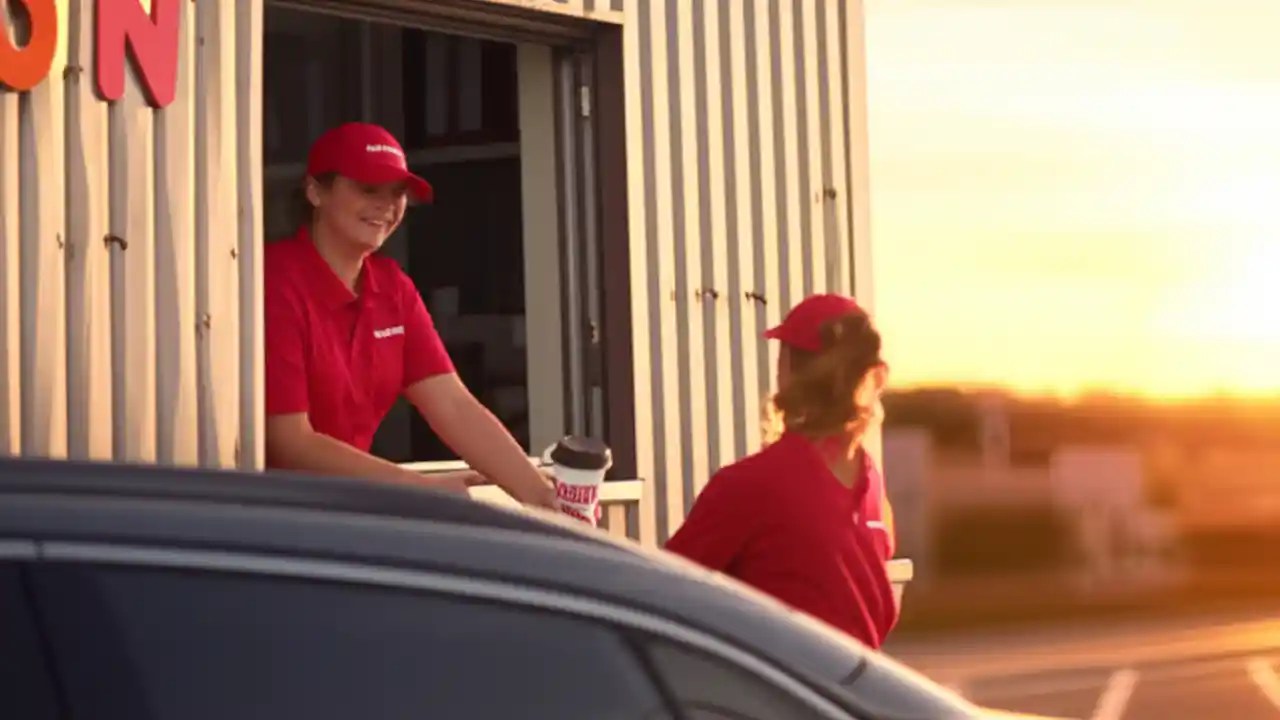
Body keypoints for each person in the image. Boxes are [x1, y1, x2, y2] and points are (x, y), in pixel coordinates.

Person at [264, 121, 555, 508]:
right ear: (316, 191)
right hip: (275, 522)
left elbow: (453, 404)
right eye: (368, 188)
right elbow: (288, 441)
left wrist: (544, 498)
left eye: (398, 192)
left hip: (348, 512)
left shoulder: (392, 287)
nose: (387, 205)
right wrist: (414, 486)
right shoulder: (274, 280)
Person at [664, 293, 898, 648]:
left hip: (776, 701)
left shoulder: (749, 486)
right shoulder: (872, 485)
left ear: (787, 371)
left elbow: (659, 590)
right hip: (850, 697)